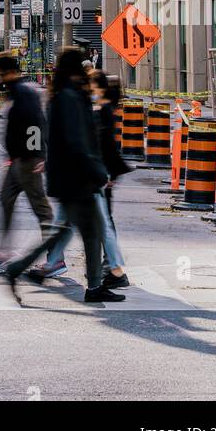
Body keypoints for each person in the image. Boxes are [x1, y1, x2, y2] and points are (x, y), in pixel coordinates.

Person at [0, 49, 126, 304]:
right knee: (87, 231)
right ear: (74, 69)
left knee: (70, 231)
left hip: (70, 176)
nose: (86, 70)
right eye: (83, 66)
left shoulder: (63, 95)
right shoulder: (69, 97)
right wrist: (98, 171)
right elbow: (77, 141)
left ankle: (90, 285)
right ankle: (92, 287)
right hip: (77, 177)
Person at [0, 55, 54, 266]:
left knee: (41, 209)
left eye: (0, 73)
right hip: (16, 160)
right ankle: (2, 252)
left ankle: (55, 256)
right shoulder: (17, 91)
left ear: (9, 72)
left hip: (27, 160)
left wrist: (37, 155)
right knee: (5, 199)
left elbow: (36, 124)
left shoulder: (24, 93)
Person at [90, 69, 131, 287]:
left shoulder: (104, 111)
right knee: (103, 220)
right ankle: (107, 266)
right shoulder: (103, 110)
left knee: (104, 221)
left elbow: (108, 147)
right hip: (102, 173)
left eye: (93, 86)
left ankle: (113, 269)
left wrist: (110, 174)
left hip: (103, 175)